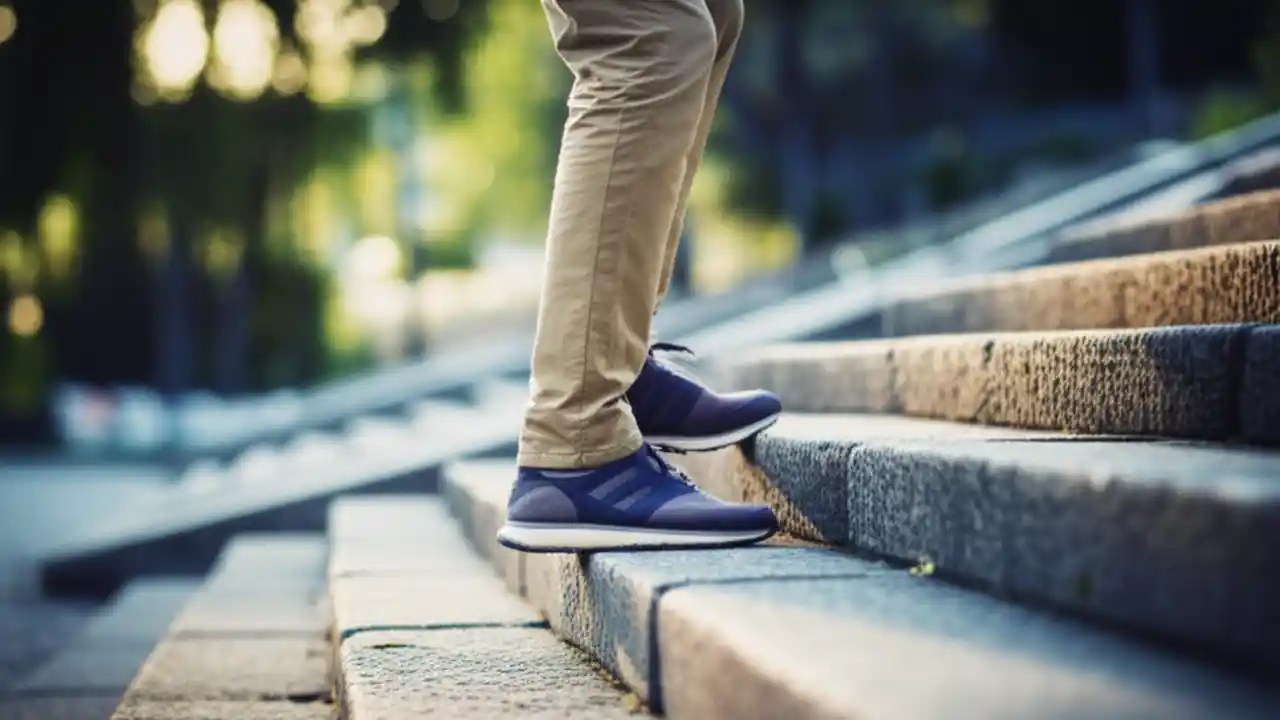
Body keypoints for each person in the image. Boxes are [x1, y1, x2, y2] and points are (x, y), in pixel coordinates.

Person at [497, 0, 781, 553]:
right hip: (574, 450)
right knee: (648, 34)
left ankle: (613, 366)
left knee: (712, 17)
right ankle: (577, 435)